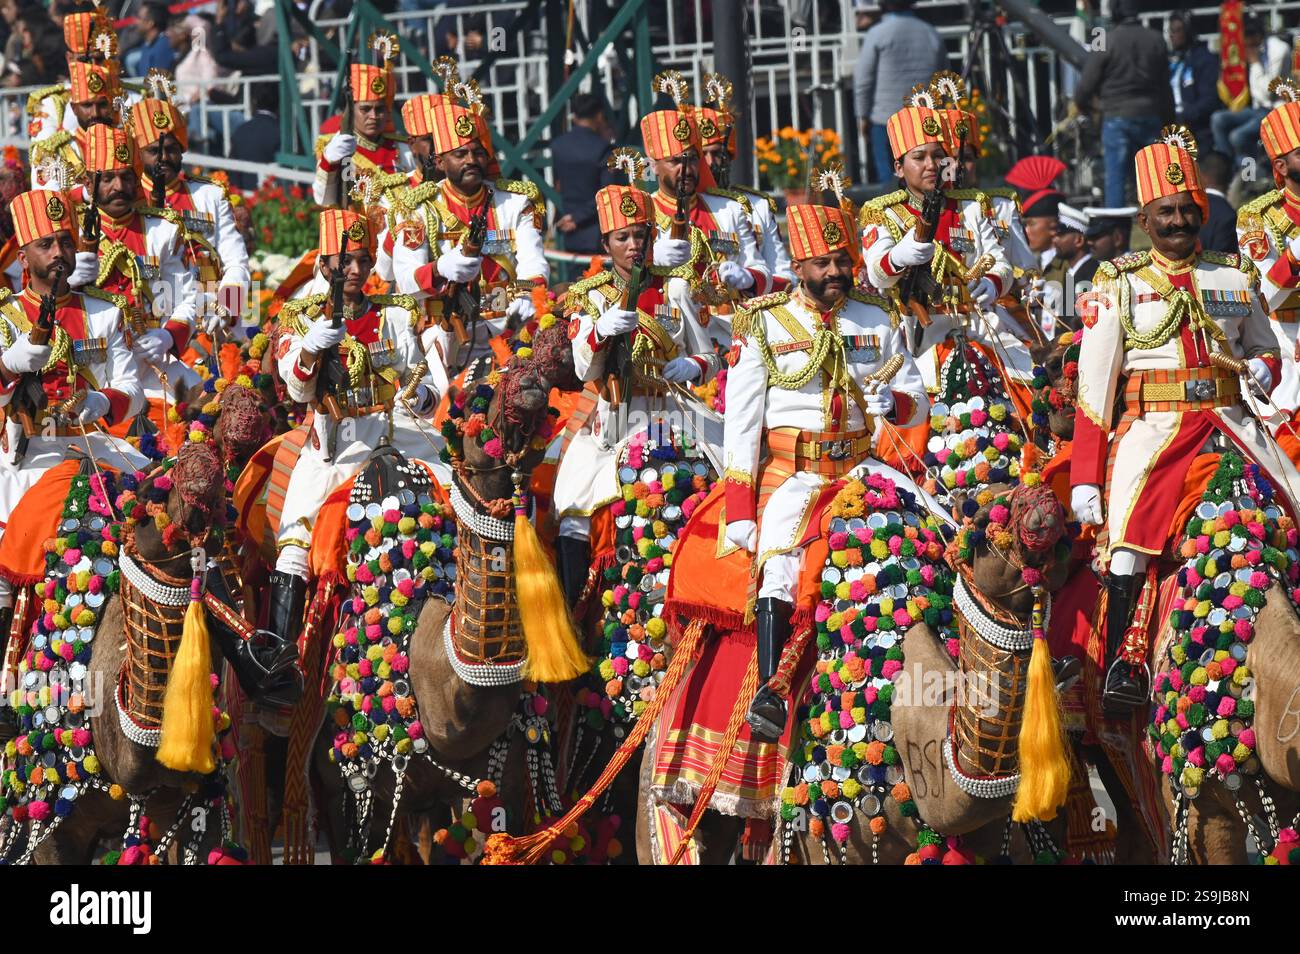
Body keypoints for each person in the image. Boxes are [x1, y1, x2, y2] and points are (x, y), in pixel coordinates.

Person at [1070, 126, 1300, 713]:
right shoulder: (1117, 283)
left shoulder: (1232, 273)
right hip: (1153, 434)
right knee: (1128, 545)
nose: (1179, 221)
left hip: (1231, 426)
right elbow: (1094, 392)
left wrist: (1265, 370)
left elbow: (1262, 345)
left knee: (1292, 507)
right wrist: (1085, 480)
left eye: (1188, 209)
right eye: (1166, 212)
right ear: (1145, 219)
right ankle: (1125, 664)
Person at [721, 199, 929, 740]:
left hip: (862, 467)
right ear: (798, 264)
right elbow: (740, 426)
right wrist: (740, 508)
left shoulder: (876, 316)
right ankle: (770, 691)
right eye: (823, 263)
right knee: (779, 566)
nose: (835, 272)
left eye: (842, 260)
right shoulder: (762, 323)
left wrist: (898, 408)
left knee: (936, 532)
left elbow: (916, 399)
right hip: (795, 476)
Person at [267, 209, 443, 648]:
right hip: (333, 446)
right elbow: (295, 388)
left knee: (455, 490)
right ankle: (279, 657)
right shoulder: (299, 318)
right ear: (323, 264)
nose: (356, 270)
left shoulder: (395, 314)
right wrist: (311, 347)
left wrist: (419, 397)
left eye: (364, 260)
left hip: (391, 435)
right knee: (294, 542)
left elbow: (426, 385)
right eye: (345, 260)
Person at [552, 180, 720, 605]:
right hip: (613, 421)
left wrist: (692, 365)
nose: (632, 246)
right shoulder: (589, 297)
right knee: (572, 509)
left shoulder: (675, 288)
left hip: (670, 414)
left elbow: (711, 357)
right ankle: (575, 616)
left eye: (640, 236)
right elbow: (581, 367)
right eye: (622, 238)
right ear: (606, 243)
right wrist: (599, 333)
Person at [0, 188, 149, 630]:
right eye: (46, 244)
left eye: (65, 241)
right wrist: (8, 368)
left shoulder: (104, 312)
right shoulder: (5, 318)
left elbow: (133, 390)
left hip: (92, 446)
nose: (59, 253)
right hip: (22, 456)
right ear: (24, 257)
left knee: (161, 515)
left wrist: (102, 401)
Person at [859, 95, 1015, 388]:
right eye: (919, 158)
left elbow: (1002, 262)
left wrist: (992, 283)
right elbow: (877, 274)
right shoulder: (881, 212)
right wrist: (898, 257)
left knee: (1026, 383)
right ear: (898, 167)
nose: (931, 165)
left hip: (977, 326)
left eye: (938, 156)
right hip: (915, 335)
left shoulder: (970, 206)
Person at [387, 89, 548, 370]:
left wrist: (528, 295)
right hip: (439, 336)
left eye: (477, 153)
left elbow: (533, 261)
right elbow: (405, 278)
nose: (471, 160)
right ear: (440, 162)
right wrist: (440, 268)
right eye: (460, 154)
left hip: (506, 330)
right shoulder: (417, 209)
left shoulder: (516, 202)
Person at [70, 123, 199, 431]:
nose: (119, 186)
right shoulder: (66, 236)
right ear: (89, 181)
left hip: (154, 367)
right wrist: (68, 283)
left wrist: (168, 336)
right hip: (90, 374)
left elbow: (190, 298)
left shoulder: (162, 231)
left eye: (127, 176)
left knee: (208, 414)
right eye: (108, 178)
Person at [639, 101, 773, 341]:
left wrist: (748, 277)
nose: (686, 169)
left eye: (691, 159)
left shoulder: (729, 209)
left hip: (730, 333)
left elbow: (762, 270)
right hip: (669, 336)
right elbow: (620, 280)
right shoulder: (641, 214)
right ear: (654, 165)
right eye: (675, 161)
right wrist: (651, 258)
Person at [128, 82, 251, 331]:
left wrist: (227, 308)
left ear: (182, 152)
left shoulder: (210, 194)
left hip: (212, 323)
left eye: (172, 149)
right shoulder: (126, 201)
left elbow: (237, 263)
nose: (164, 157)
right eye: (154, 151)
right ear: (138, 154)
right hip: (151, 330)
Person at [1071, 0, 1175, 208]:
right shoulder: (1155, 39)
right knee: (1154, 173)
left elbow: (1087, 83)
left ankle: (1115, 225)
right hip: (1150, 113)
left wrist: (1083, 105)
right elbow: (1165, 85)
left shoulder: (1107, 41)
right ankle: (1162, 213)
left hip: (1116, 116)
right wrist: (1169, 119)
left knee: (1115, 176)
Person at [1237, 77, 1300, 417]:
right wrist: (1296, 254)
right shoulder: (1256, 217)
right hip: (1286, 344)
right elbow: (1263, 299)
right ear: (1280, 166)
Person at [696, 75, 796, 291]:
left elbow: (787, 279)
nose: (710, 163)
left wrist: (751, 280)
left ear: (730, 156)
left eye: (716, 154)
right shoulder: (675, 209)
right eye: (702, 154)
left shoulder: (757, 205)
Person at [853, 0, 948, 185]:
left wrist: (862, 115)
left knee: (888, 183)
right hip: (924, 118)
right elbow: (944, 78)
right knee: (926, 179)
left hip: (885, 119)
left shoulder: (877, 33)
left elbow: (863, 81)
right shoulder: (930, 33)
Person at [1209, 14, 1292, 166]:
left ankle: (1250, 176)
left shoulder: (1279, 50)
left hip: (1274, 109)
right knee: (1218, 119)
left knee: (1238, 136)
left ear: (1256, 36)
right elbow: (1256, 93)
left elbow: (1269, 91)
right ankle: (1225, 166)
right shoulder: (1256, 49)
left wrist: (1254, 63)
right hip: (1258, 108)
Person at [550, 92, 616, 256]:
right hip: (597, 230)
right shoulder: (603, 149)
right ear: (599, 116)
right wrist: (578, 217)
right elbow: (608, 193)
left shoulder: (558, 146)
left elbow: (558, 185)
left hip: (569, 230)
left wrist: (570, 218)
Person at [29, 60, 112, 189]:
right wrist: (83, 195)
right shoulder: (53, 151)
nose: (95, 113)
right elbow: (47, 200)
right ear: (74, 108)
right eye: (87, 105)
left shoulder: (129, 140)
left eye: (102, 105)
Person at [1167, 10, 1219, 148]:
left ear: (1189, 32)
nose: (1172, 35)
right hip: (1170, 126)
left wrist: (1184, 116)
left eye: (1177, 30)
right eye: (1171, 31)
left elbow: (1208, 100)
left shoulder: (1205, 60)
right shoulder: (1171, 62)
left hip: (1196, 129)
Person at [228, 81, 279, 190]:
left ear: (254, 102)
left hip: (243, 198)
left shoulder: (240, 130)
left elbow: (233, 172)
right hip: (273, 200)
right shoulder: (280, 132)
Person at [1195, 149, 1237, 254]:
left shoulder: (1186, 208)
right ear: (1231, 177)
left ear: (1200, 176)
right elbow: (1225, 263)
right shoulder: (1228, 216)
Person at [127, 3, 175, 78]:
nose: (135, 22)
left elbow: (158, 84)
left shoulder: (163, 47)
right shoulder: (147, 44)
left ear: (150, 23)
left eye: (139, 18)